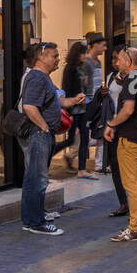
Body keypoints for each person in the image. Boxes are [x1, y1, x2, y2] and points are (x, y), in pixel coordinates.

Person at [18, 42, 85, 235]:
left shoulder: (43, 78)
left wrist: (72, 101)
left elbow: (57, 100)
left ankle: (37, 215)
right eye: (54, 56)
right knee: (36, 179)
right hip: (37, 134)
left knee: (38, 178)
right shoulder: (37, 78)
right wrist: (44, 127)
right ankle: (34, 222)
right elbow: (29, 107)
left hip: (41, 134)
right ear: (41, 57)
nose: (58, 59)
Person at [103, 47, 137, 242]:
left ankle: (135, 228)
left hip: (130, 137)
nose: (117, 63)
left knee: (131, 184)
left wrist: (111, 123)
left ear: (129, 60)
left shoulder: (132, 79)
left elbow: (128, 109)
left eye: (121, 59)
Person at [102, 46, 128, 218]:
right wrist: (102, 93)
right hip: (112, 126)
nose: (114, 62)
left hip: (127, 127)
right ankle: (123, 203)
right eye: (112, 59)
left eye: (116, 58)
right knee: (116, 166)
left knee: (130, 168)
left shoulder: (136, 77)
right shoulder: (111, 76)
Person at [61, 41, 94, 176]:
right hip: (74, 109)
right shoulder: (69, 69)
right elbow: (67, 90)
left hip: (82, 109)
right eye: (83, 53)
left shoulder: (81, 67)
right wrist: (69, 109)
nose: (85, 56)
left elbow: (82, 87)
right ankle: (50, 153)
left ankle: (82, 169)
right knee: (70, 140)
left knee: (85, 139)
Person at [83, 31, 107, 174]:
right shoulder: (86, 62)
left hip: (97, 101)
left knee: (100, 132)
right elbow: (84, 83)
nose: (105, 49)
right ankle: (74, 152)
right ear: (95, 45)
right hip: (87, 102)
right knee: (88, 134)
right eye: (103, 45)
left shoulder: (98, 62)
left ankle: (99, 164)